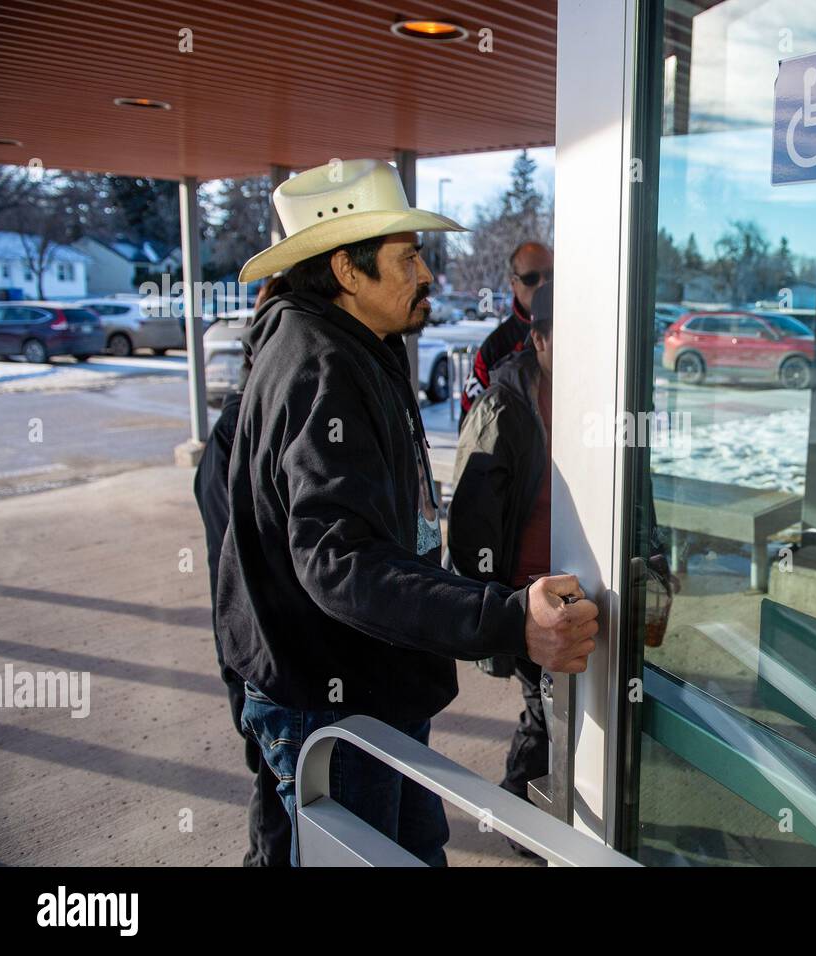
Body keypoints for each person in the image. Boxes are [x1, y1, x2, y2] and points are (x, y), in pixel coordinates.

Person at [218, 159, 598, 866]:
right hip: (331, 703)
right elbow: (340, 562)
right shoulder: (321, 368)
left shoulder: (347, 347)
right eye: (409, 256)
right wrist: (506, 616)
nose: (426, 274)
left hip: (365, 686)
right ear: (347, 270)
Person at [449, 282, 555, 839]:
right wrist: (492, 612)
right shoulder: (503, 409)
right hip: (528, 596)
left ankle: (541, 811)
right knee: (546, 713)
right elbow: (470, 523)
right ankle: (522, 816)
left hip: (584, 588)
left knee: (562, 714)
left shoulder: (601, 395)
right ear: (536, 338)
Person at [193, 273, 291, 867]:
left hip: (281, 667)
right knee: (279, 823)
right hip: (264, 664)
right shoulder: (237, 434)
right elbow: (238, 571)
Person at [459, 241, 553, 427]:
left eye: (550, 275)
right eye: (531, 278)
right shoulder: (495, 347)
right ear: (513, 284)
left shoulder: (578, 331)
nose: (543, 283)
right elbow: (470, 423)